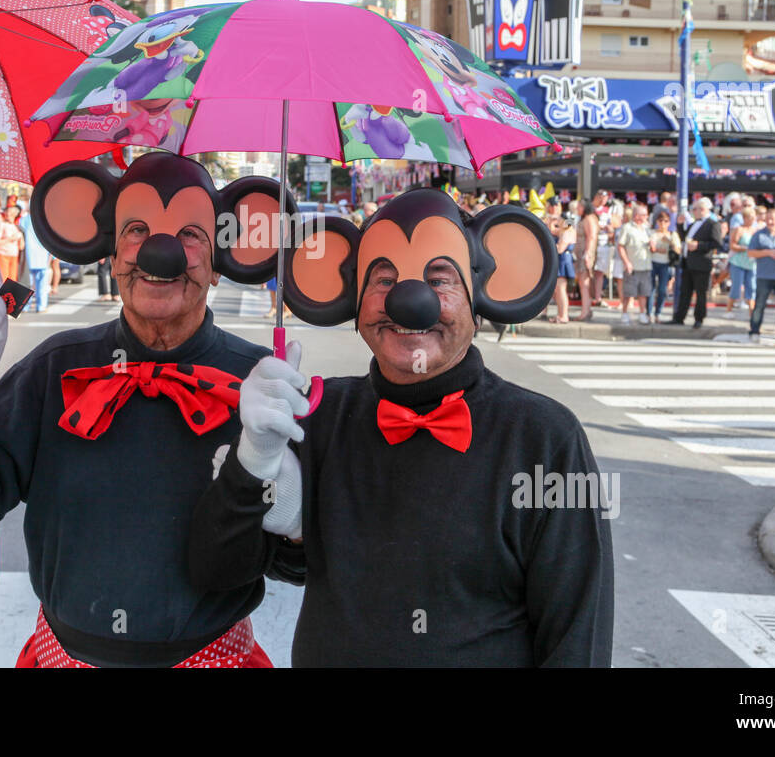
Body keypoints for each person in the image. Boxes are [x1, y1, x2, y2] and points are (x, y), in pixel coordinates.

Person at [188, 189, 613, 665]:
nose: (409, 301)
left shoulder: (545, 437)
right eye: (384, 278)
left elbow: (578, 635)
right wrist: (253, 465)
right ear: (348, 294)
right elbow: (215, 572)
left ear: (483, 293)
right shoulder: (318, 415)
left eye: (440, 278)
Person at [0, 154, 289, 667]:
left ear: (223, 260)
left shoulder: (262, 385)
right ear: (112, 256)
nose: (160, 252)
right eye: (137, 230)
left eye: (191, 234)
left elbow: (303, 561)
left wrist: (282, 490)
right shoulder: (52, 370)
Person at [672, 198, 723, 329]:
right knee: (685, 291)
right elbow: (685, 238)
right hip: (688, 261)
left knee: (700, 293)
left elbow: (717, 242)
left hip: (701, 263)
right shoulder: (695, 223)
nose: (693, 211)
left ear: (702, 209)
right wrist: (679, 226)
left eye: (694, 209)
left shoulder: (713, 224)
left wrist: (699, 245)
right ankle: (679, 317)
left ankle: (699, 318)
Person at [748, 207, 775, 343]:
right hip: (764, 275)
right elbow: (750, 253)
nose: (770, 222)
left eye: (773, 219)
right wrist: (767, 252)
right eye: (768, 219)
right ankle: (754, 330)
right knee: (759, 304)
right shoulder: (759, 235)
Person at [617, 202, 652, 324]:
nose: (646, 217)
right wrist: (626, 262)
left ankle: (642, 313)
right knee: (629, 292)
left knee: (644, 292)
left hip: (645, 264)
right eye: (644, 215)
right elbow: (620, 246)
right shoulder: (627, 228)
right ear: (637, 215)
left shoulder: (647, 229)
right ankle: (625, 312)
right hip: (632, 265)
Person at [647, 209, 681, 324]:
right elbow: (650, 248)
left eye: (665, 221)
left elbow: (678, 250)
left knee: (662, 290)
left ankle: (658, 313)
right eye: (660, 221)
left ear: (669, 223)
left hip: (665, 264)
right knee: (650, 289)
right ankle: (649, 313)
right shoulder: (652, 233)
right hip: (652, 262)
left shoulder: (672, 234)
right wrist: (656, 249)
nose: (663, 224)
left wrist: (670, 242)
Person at [19, 204, 53, 313]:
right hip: (42, 255)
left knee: (27, 282)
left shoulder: (24, 220)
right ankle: (41, 306)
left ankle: (25, 306)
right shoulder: (45, 220)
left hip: (28, 256)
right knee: (41, 282)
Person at [727, 206, 757, 320]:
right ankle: (729, 309)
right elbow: (732, 245)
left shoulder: (755, 231)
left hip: (751, 263)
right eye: (750, 217)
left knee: (751, 287)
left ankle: (752, 313)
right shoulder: (738, 229)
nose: (752, 220)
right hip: (738, 262)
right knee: (736, 286)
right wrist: (745, 248)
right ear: (744, 218)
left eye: (753, 217)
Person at [571, 199, 594, 321]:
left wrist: (588, 254)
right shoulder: (582, 219)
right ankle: (586, 310)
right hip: (580, 254)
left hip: (584, 254)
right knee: (582, 283)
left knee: (584, 284)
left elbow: (591, 237)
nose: (577, 208)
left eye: (580, 206)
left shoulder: (588, 219)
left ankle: (585, 311)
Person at [0, 204, 24, 283]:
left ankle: (11, 295)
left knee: (13, 280)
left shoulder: (16, 227)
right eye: (7, 212)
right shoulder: (1, 225)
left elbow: (21, 247)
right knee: (3, 279)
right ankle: (1, 295)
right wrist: (11, 239)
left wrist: (21, 238)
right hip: (2, 255)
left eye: (10, 213)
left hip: (14, 256)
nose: (8, 214)